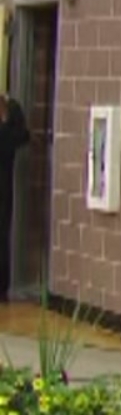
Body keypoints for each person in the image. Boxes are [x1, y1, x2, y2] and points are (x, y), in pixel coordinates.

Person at [0, 93, 28, 300]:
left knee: (2, 233)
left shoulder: (12, 109)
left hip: (3, 184)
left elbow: (23, 136)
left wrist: (5, 119)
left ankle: (2, 288)